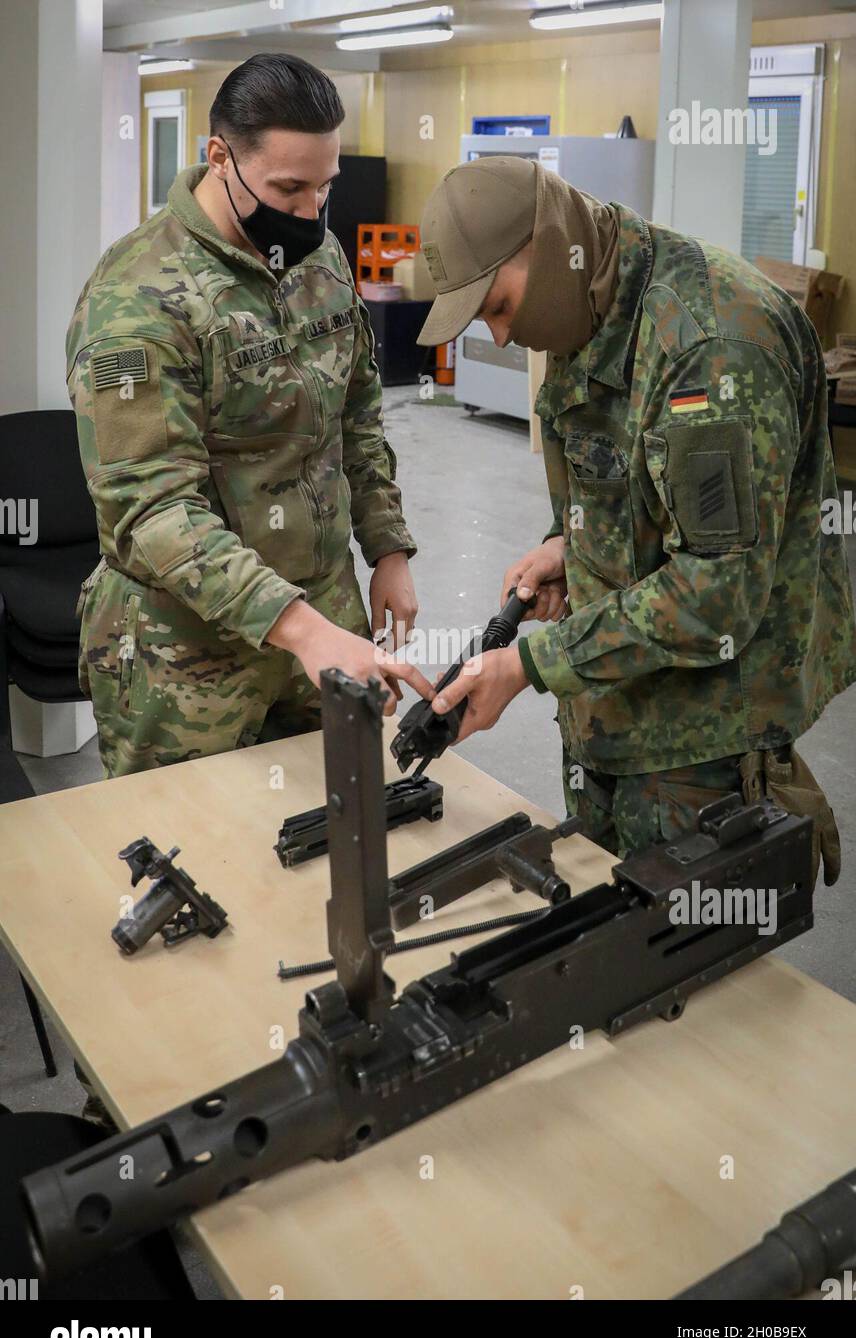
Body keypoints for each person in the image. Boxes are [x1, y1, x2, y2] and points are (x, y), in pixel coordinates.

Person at [413, 155, 856, 879]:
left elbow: (717, 593)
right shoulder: (584, 304)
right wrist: (566, 545)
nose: (500, 336)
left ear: (546, 246)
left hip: (701, 745)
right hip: (609, 710)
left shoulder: (710, 351)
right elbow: (621, 480)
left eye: (497, 307)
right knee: (595, 912)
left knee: (684, 940)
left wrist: (530, 665)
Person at [68, 53, 432, 780]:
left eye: (324, 187)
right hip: (186, 653)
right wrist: (299, 628)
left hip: (323, 614)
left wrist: (388, 549)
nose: (310, 210)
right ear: (219, 157)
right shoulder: (137, 296)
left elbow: (356, 418)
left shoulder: (320, 258)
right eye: (288, 188)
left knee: (337, 818)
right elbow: (151, 509)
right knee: (190, 839)